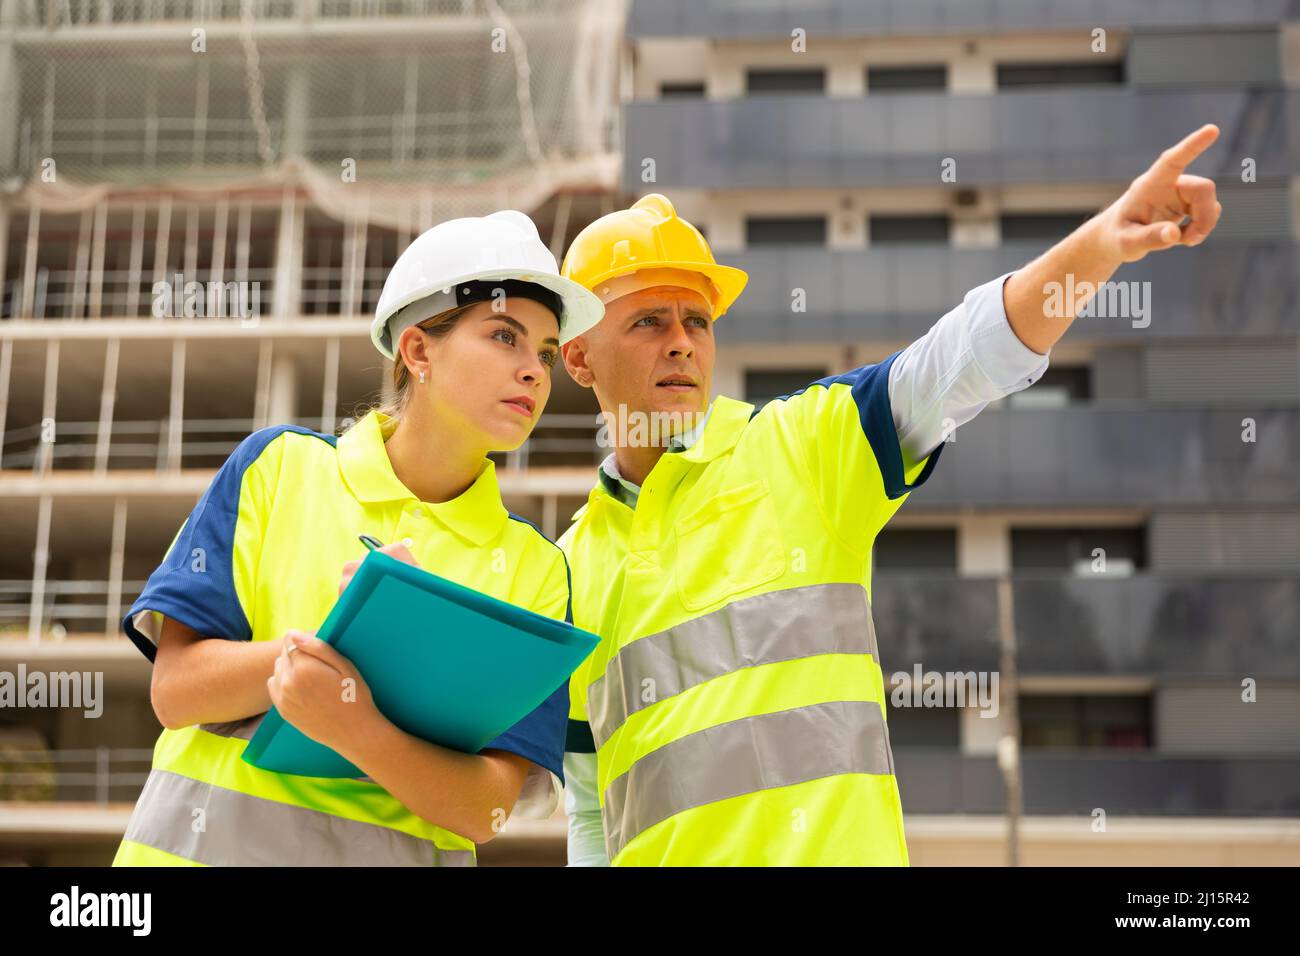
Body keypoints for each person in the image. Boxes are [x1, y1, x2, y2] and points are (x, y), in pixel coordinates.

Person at [558, 127, 1224, 865]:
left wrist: (1102, 244)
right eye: (648, 320)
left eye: (698, 321)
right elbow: (591, 807)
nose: (681, 342)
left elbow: (959, 360)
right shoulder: (565, 573)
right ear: (579, 356)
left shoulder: (803, 449)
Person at [113, 210, 604, 866]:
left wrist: (357, 727)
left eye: (545, 353)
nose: (536, 372)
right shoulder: (278, 468)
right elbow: (175, 692)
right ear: (419, 350)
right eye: (504, 336)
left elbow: (488, 810)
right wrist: (324, 649)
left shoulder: (535, 569)